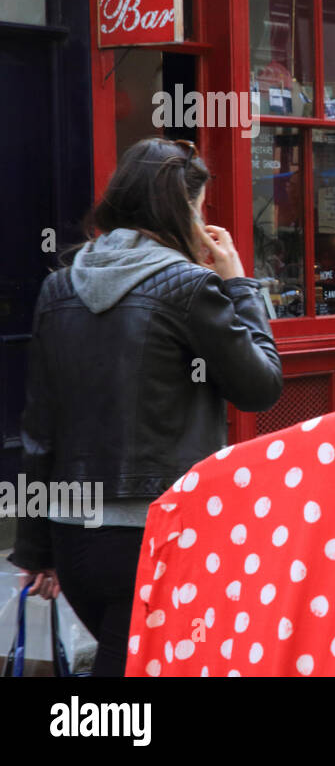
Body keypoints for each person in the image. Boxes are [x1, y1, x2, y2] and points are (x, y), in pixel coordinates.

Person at [9, 137, 283, 676]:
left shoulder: (57, 289)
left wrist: (35, 548)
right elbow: (261, 385)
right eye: (200, 211)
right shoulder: (190, 286)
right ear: (179, 211)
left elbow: (39, 427)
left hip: (73, 536)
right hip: (158, 531)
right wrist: (239, 283)